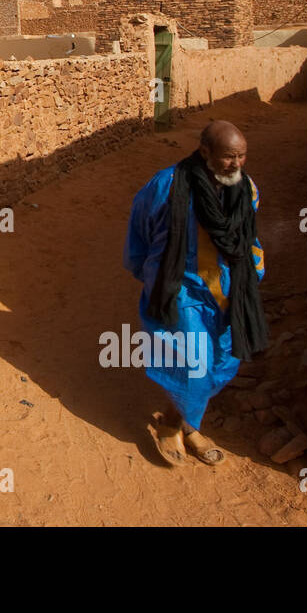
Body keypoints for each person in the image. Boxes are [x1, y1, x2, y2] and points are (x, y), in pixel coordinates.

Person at [123, 120, 268, 467]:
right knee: (193, 363)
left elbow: (249, 236)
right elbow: (140, 231)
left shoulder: (246, 188)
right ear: (205, 153)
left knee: (222, 359)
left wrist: (253, 273)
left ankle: (188, 419)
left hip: (228, 291)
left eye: (242, 156)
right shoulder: (166, 186)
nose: (236, 164)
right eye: (228, 157)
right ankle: (172, 425)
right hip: (182, 291)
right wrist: (150, 275)